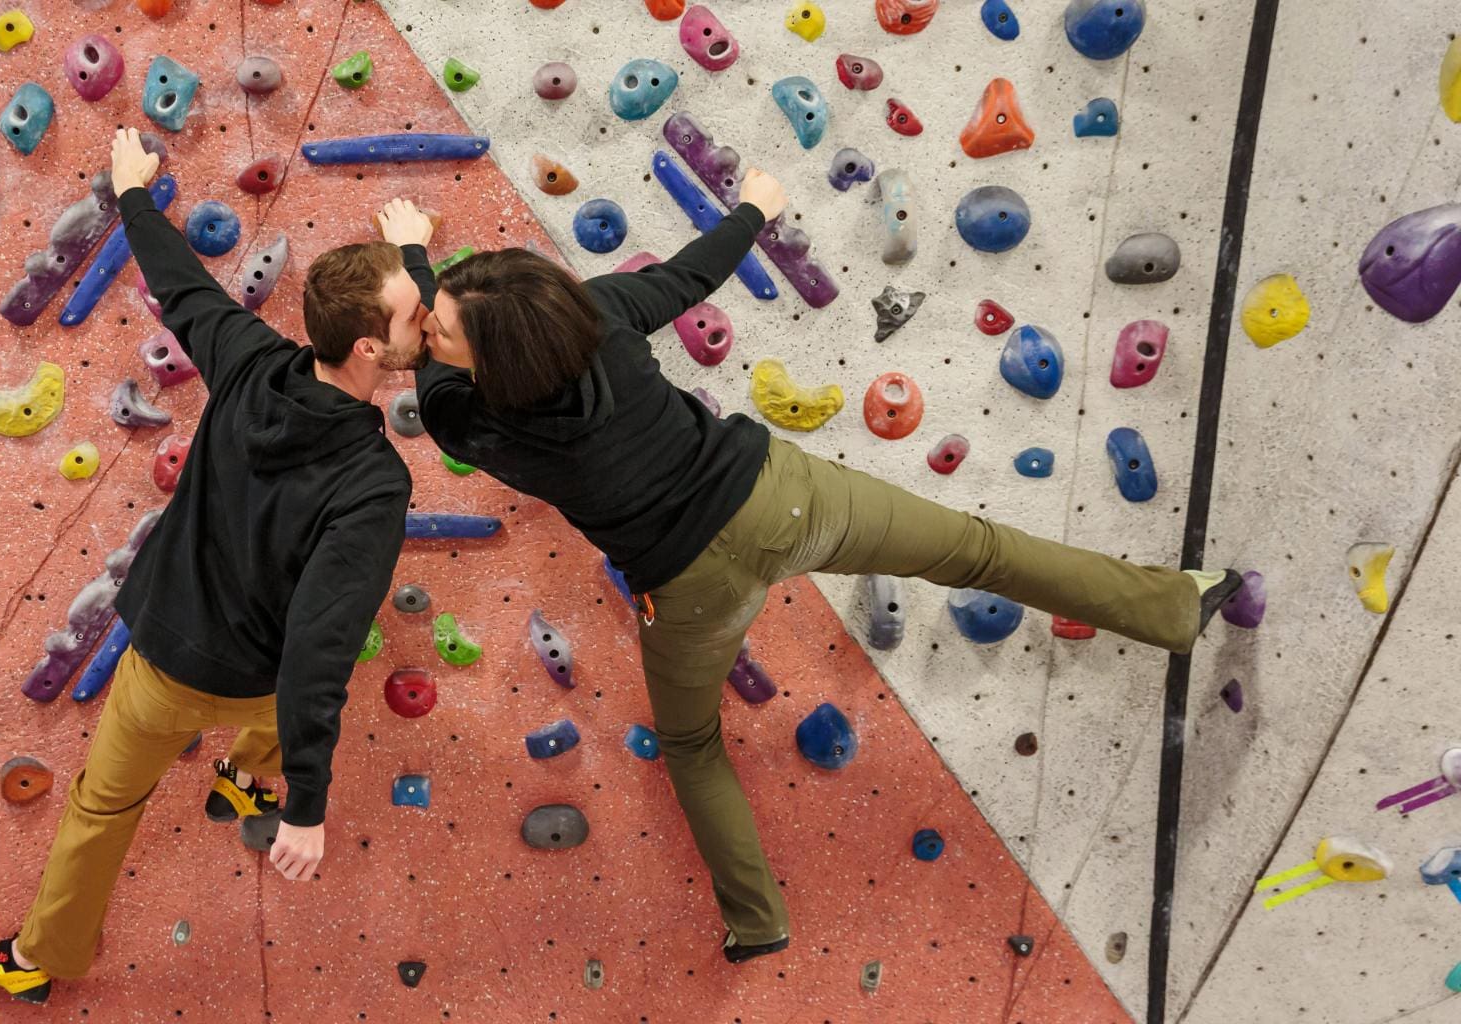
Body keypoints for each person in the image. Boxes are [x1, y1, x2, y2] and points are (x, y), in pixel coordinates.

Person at [404, 169, 1248, 964]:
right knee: (978, 549)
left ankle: (757, 922)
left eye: (442, 323)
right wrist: (753, 210)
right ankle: (1170, 606)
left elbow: (426, 358)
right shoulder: (600, 315)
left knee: (694, 743)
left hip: (690, 589)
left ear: (489, 359)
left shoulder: (470, 421)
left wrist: (410, 275)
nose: (432, 331)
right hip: (785, 500)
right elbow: (689, 277)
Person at [0, 130, 434, 1005]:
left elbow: (180, 282)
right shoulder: (374, 483)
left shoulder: (247, 360)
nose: (425, 323)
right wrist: (307, 805)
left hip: (163, 664)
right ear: (367, 348)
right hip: (262, 687)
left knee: (100, 810)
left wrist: (132, 195)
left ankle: (39, 961)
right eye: (412, 315)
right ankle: (249, 781)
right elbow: (324, 643)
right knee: (298, 692)